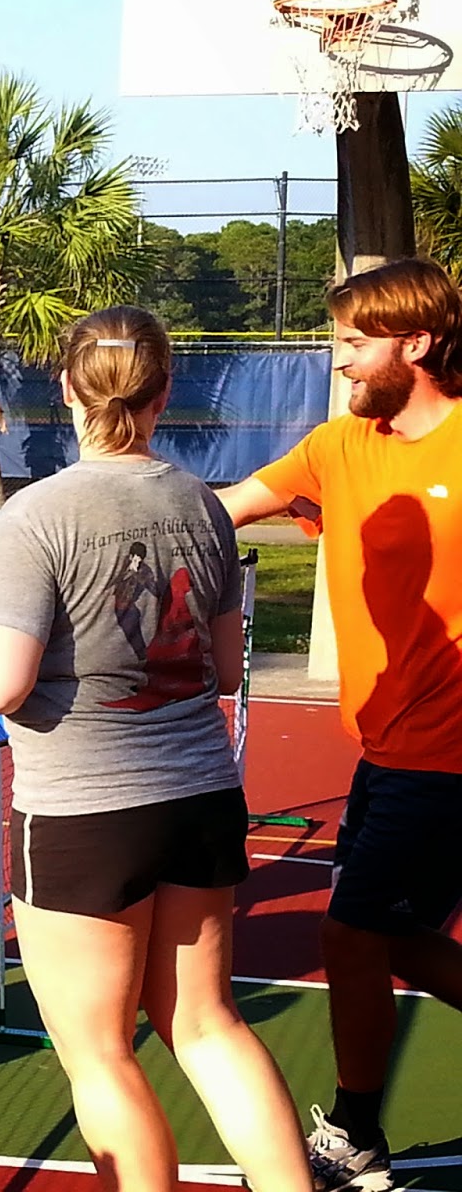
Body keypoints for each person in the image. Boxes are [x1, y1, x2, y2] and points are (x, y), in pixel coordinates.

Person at [0, 305, 313, 1192]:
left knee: (100, 1055)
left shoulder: (36, 515)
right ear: (163, 392)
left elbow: (1, 686)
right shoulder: (202, 503)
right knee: (208, 1024)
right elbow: (227, 666)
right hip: (198, 795)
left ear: (69, 389)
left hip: (84, 812)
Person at [217, 257, 462, 1192]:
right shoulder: (336, 447)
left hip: (447, 755)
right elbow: (223, 507)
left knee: (353, 936)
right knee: (388, 938)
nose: (343, 362)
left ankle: (358, 1135)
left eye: (357, 344)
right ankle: (360, 1130)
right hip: (385, 747)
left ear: (419, 342)